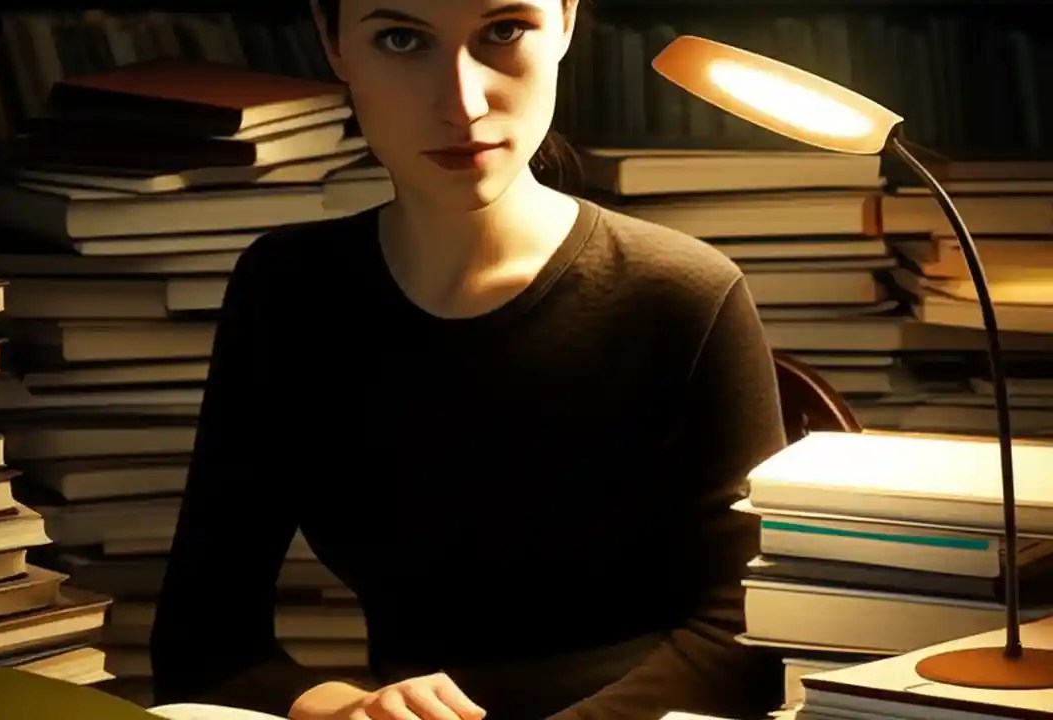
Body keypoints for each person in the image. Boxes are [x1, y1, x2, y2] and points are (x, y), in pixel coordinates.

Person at [150, 1, 788, 719]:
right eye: (401, 39)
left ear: (568, 21)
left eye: (504, 32)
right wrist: (347, 712)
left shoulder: (685, 293)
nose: (463, 102)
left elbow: (745, 643)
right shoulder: (287, 291)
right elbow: (201, 644)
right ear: (332, 43)